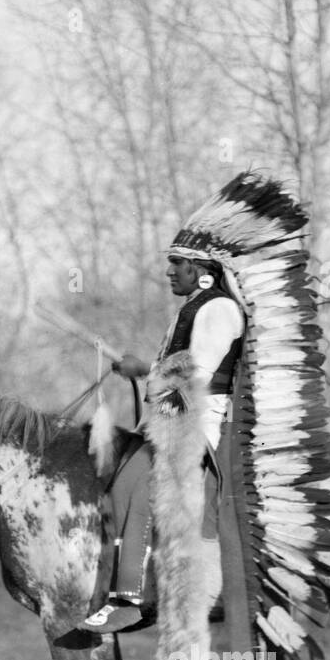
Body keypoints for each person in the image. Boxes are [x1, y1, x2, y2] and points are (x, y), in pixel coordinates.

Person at [80, 251, 245, 634]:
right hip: (170, 419)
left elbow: (197, 375)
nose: (170, 272)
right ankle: (129, 596)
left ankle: (131, 599)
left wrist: (145, 371)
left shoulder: (218, 308)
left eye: (178, 265)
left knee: (139, 489)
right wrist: (145, 374)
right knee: (122, 487)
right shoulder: (194, 307)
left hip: (196, 423)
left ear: (200, 270)